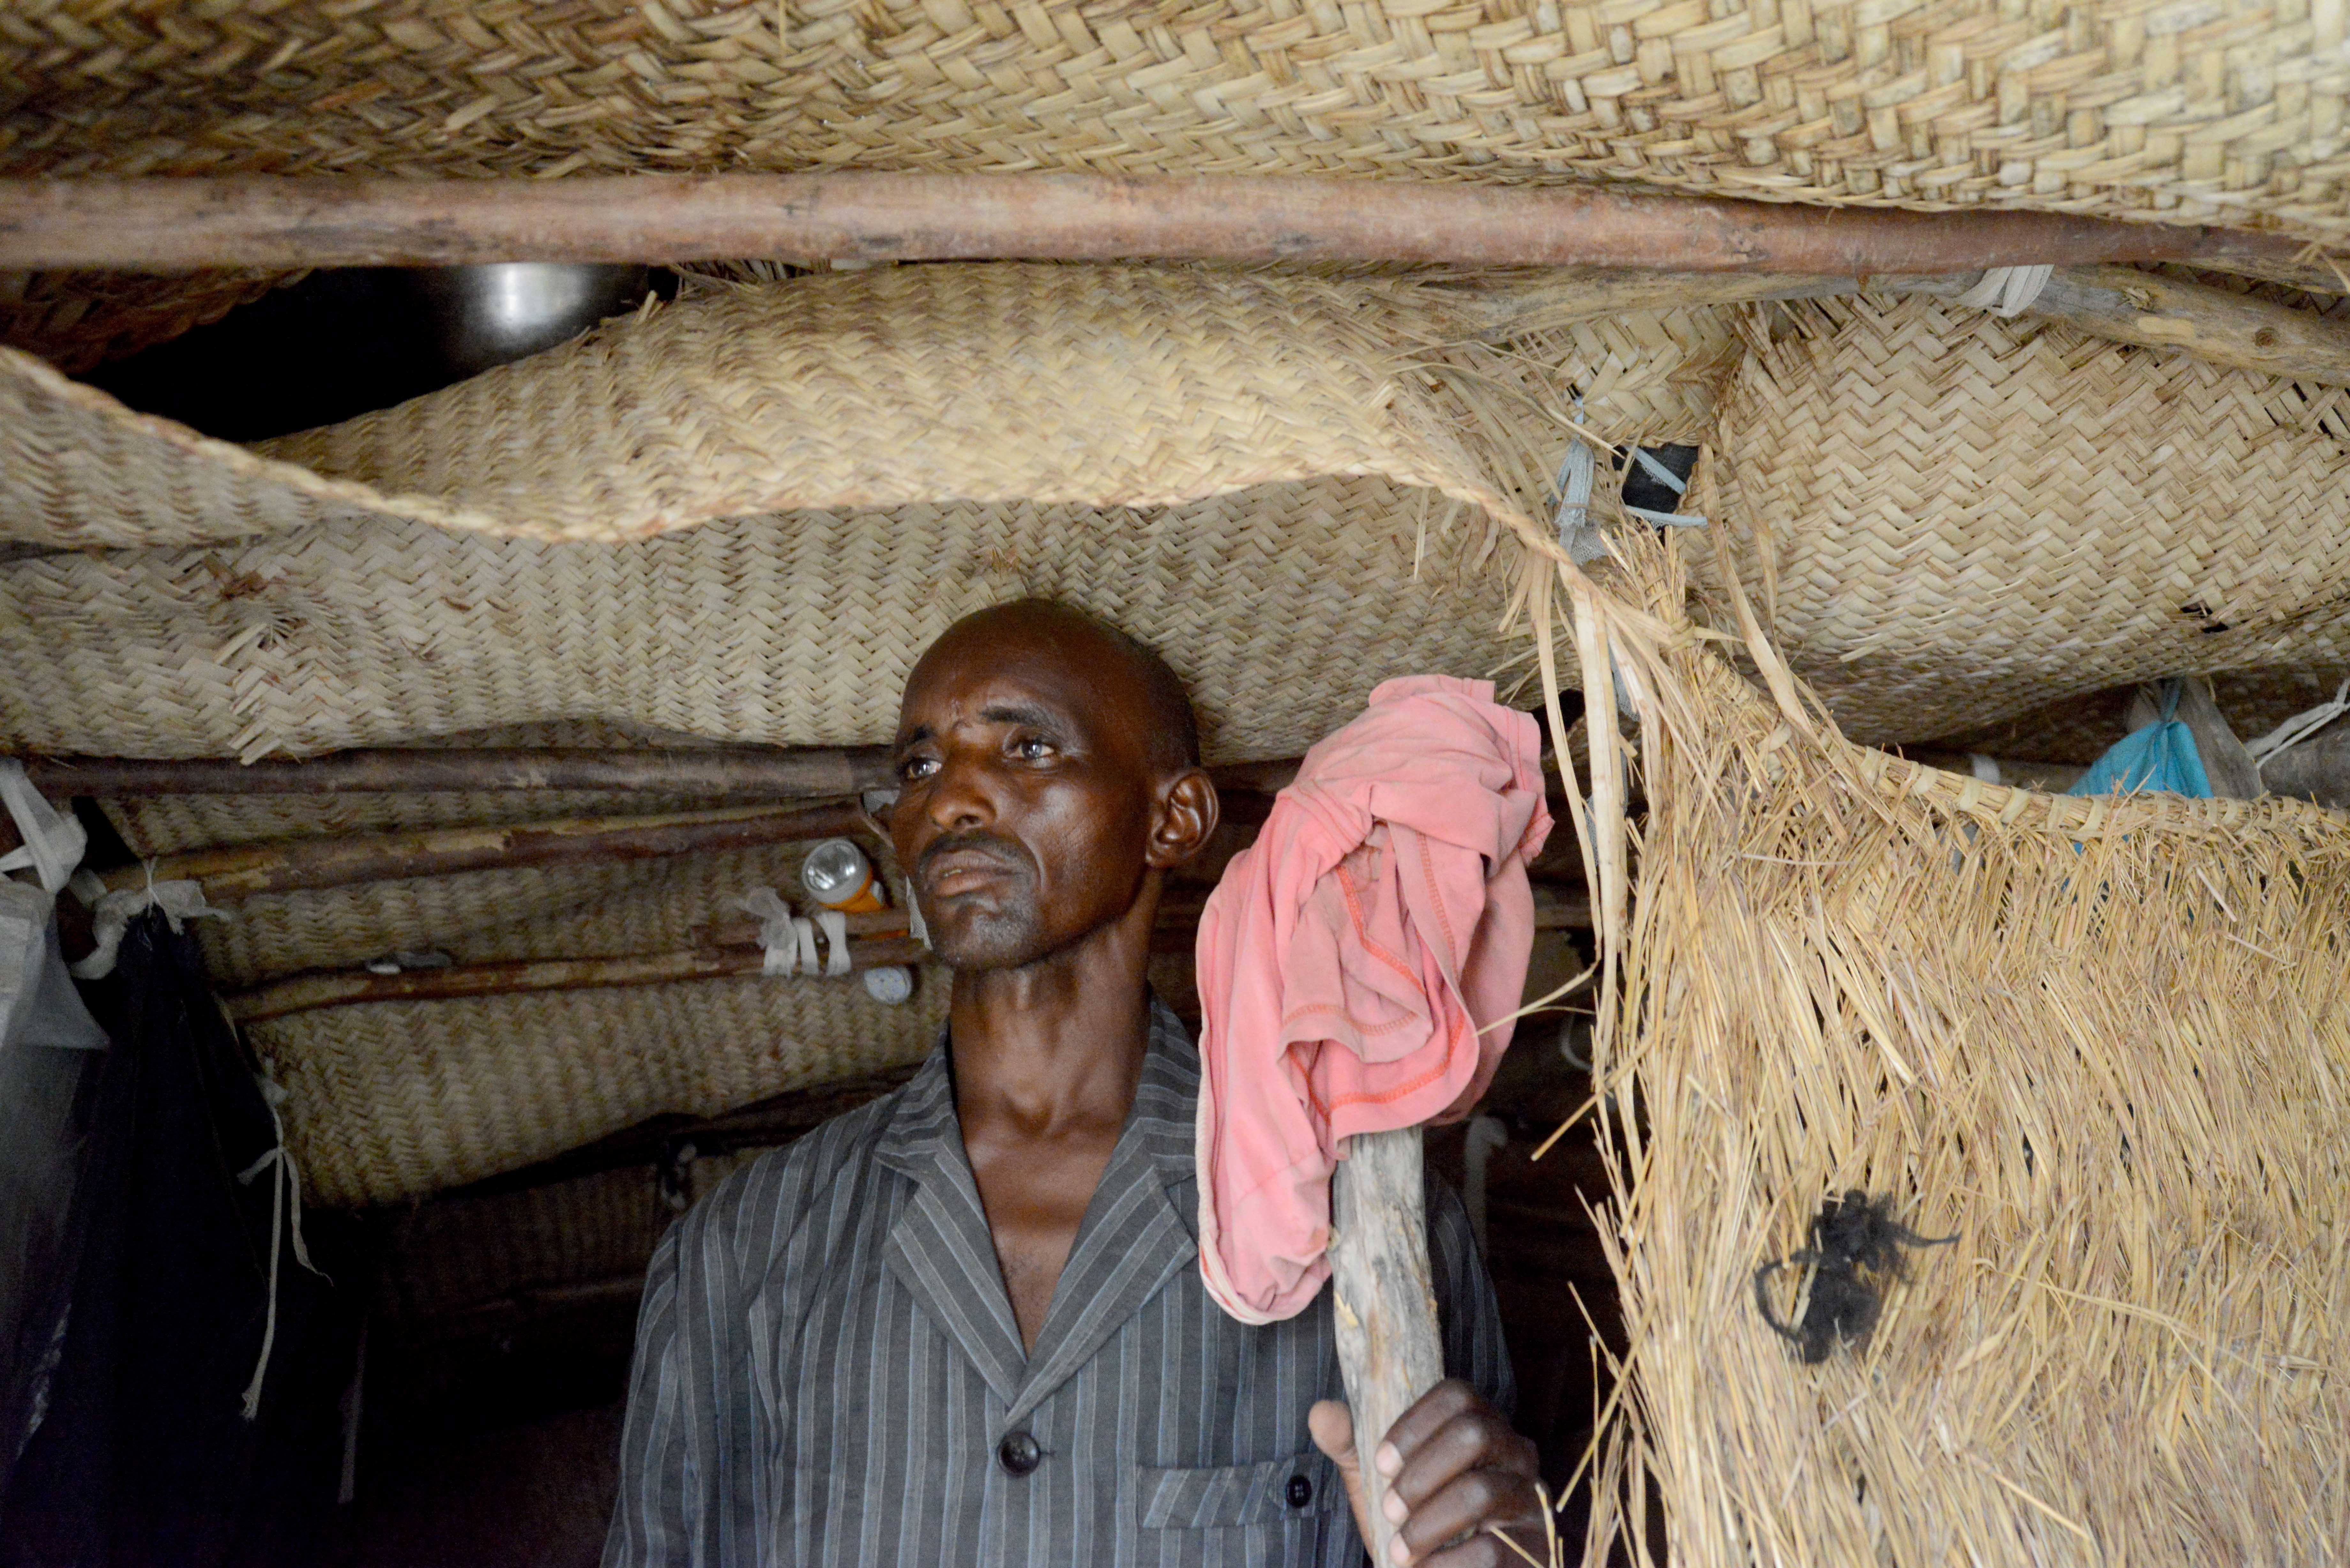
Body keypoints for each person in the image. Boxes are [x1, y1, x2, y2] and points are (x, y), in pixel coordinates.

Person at [604, 600, 1544, 1567]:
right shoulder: (745, 1251)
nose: (952, 802)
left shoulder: (1368, 1232)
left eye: (1028, 749)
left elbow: (1470, 1534)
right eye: (920, 767)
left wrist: (1509, 1548)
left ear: (1173, 820)